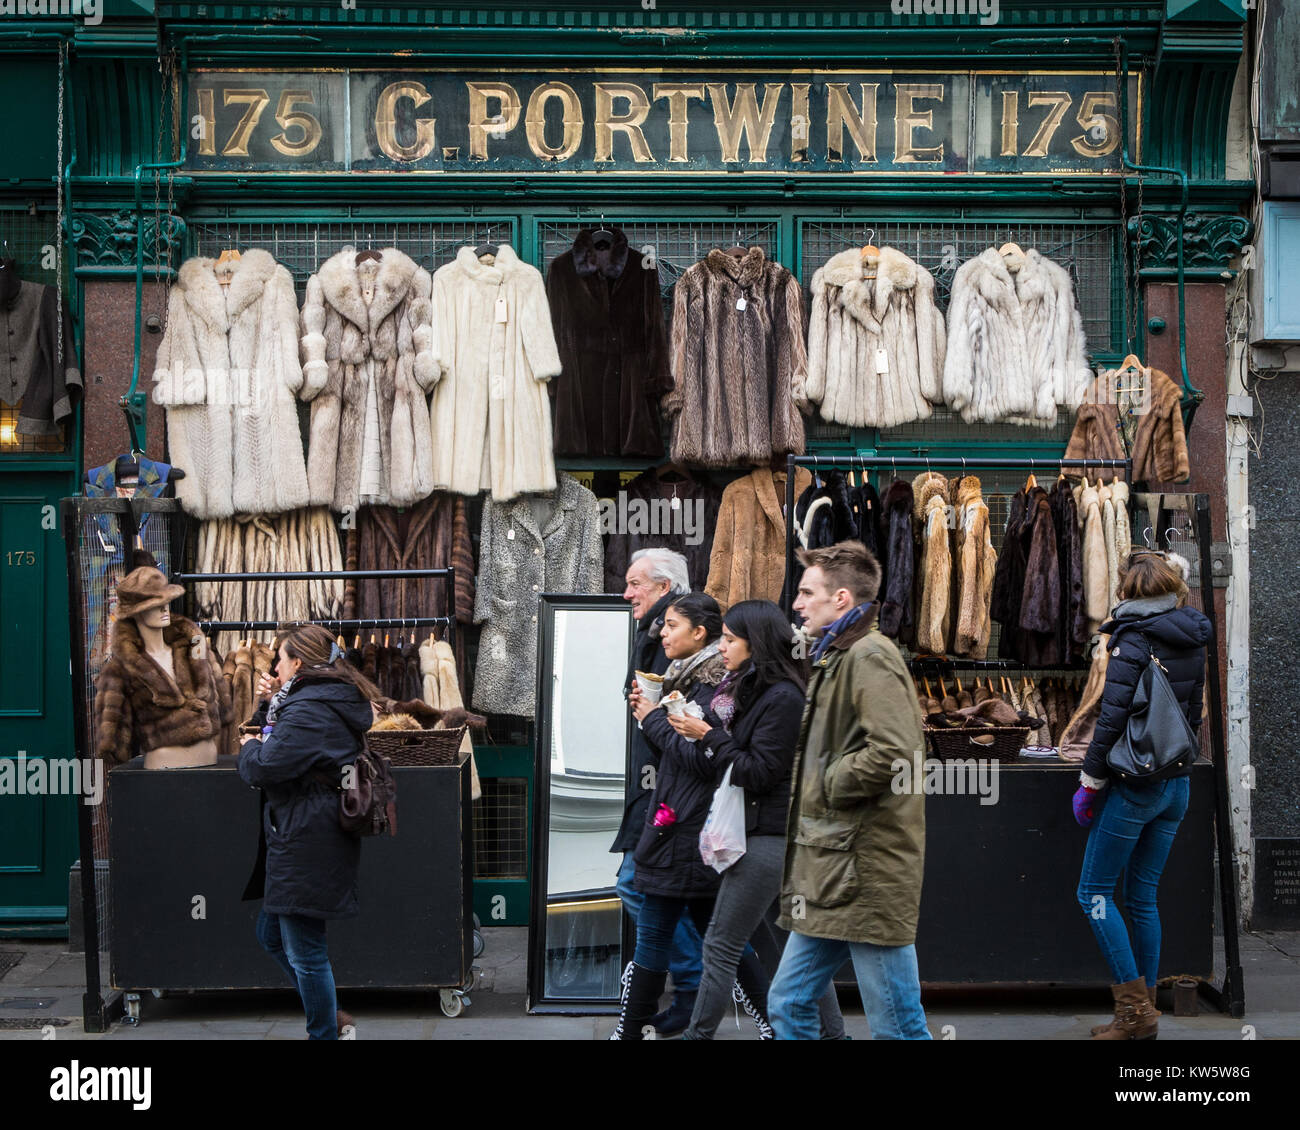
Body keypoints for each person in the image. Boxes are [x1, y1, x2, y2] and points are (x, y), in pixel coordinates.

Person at [768, 540, 931, 1040]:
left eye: (805, 592)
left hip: (865, 871)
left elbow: (898, 752)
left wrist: (828, 782)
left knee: (898, 1028)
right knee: (788, 1003)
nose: (796, 604)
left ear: (841, 598)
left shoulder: (868, 655)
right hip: (835, 871)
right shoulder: (839, 653)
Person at [659, 599, 813, 1040]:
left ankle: (697, 1034)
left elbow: (757, 771)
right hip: (758, 831)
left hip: (766, 834)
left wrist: (708, 736)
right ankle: (834, 1035)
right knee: (797, 950)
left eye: (730, 639)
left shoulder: (782, 697)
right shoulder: (754, 689)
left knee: (721, 945)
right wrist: (703, 728)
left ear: (756, 642)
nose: (722, 647)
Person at [1073, 551, 1211, 1040]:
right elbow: (1190, 712)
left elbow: (1111, 719)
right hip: (1176, 783)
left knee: (1092, 894)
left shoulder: (1132, 638)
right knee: (1143, 897)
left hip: (1135, 788)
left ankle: (1134, 1014)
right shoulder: (1193, 633)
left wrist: (1090, 781)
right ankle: (1143, 1013)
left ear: (1129, 592)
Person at [612, 591, 762, 1039]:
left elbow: (702, 758)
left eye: (672, 625)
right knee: (689, 938)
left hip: (690, 829)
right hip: (677, 826)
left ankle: (641, 1027)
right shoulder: (688, 677)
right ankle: (636, 1029)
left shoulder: (717, 685)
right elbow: (684, 753)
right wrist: (651, 715)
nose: (661, 631)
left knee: (716, 942)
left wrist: (653, 718)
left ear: (700, 633)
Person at [238, 623, 383, 1041]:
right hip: (306, 832)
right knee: (272, 935)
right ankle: (330, 1015)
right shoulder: (311, 700)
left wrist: (248, 744)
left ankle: (324, 1032)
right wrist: (267, 706)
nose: (274, 668)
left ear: (297, 663)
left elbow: (265, 766)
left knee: (306, 952)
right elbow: (281, 742)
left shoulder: (308, 709)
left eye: (278, 661)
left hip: (307, 837)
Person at [611, 547, 705, 1034]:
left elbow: (694, 713)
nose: (626, 593)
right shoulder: (652, 632)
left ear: (665, 588)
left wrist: (653, 712)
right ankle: (695, 989)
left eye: (635, 584)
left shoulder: (682, 633)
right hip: (655, 781)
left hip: (672, 789)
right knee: (669, 893)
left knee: (636, 882)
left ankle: (695, 983)